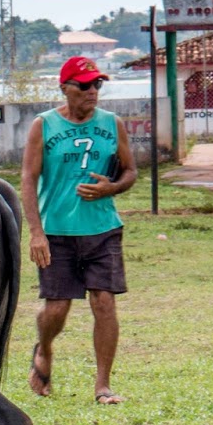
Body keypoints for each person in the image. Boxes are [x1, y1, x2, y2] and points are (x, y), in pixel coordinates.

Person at [21, 56, 138, 405]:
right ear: (65, 88)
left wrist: (111, 188)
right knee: (56, 309)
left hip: (103, 228)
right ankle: (44, 349)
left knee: (104, 303)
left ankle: (103, 386)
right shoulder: (44, 126)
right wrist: (36, 233)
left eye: (97, 85)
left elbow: (130, 171)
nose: (92, 92)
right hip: (57, 231)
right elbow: (28, 178)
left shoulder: (112, 123)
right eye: (84, 86)